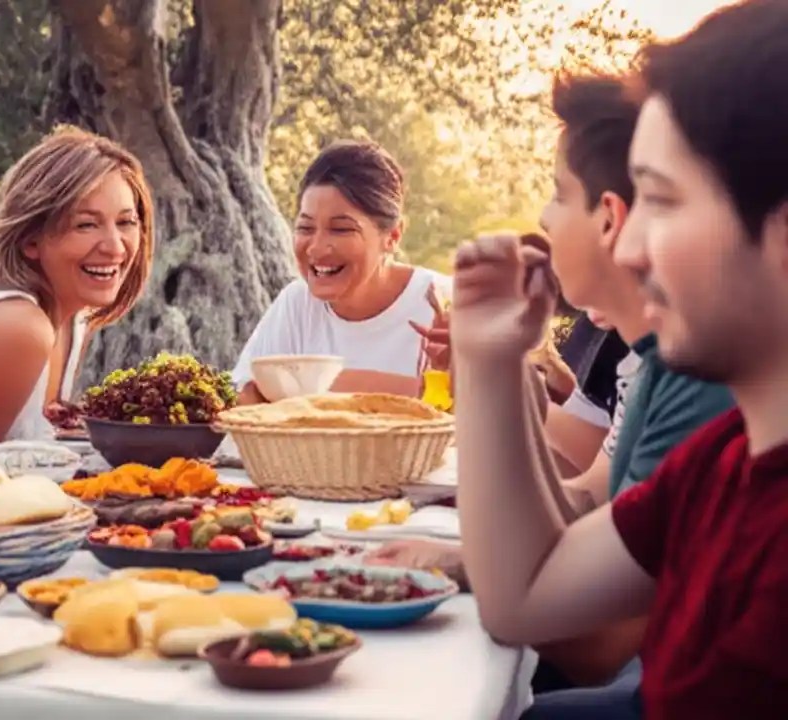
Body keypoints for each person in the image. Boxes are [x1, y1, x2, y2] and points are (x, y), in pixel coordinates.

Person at [453, 2, 788, 716]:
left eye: (662, 202)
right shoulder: (722, 462)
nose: (630, 250)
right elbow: (526, 600)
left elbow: (585, 637)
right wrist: (489, 359)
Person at [372, 71, 733, 709]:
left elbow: (587, 641)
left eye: (557, 193)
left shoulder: (700, 381)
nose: (540, 218)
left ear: (611, 219)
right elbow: (584, 508)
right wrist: (503, 367)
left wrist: (493, 369)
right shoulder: (656, 365)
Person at [0, 127, 154, 443]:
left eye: (126, 222)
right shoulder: (19, 327)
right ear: (31, 240)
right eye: (85, 225)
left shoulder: (74, 321)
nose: (115, 247)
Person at [232, 140, 452, 403]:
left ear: (392, 236)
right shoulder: (297, 303)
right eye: (305, 228)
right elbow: (243, 396)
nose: (317, 248)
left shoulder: (447, 304)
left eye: (341, 229)